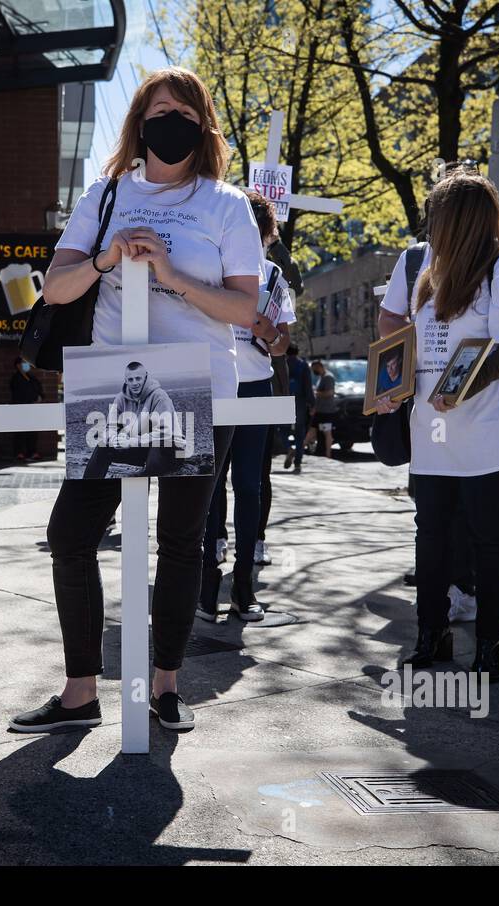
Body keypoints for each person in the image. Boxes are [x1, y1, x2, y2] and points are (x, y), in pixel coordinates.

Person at [9, 66, 261, 734]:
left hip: (198, 382)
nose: (169, 120)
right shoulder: (107, 192)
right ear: (139, 124)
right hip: (115, 380)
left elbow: (245, 306)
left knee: (180, 541)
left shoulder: (226, 204)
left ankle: (165, 686)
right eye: (158, 109)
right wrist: (103, 260)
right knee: (70, 534)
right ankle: (80, 691)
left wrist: (173, 276)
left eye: (183, 110)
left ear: (201, 123)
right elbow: (56, 290)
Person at [374, 171, 499, 682]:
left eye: (437, 214)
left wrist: (461, 386)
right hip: (431, 432)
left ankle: (489, 644)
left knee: (490, 539)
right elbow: (395, 332)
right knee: (432, 538)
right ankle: (431, 635)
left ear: (459, 219)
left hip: (485, 432)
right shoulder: (422, 266)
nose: (430, 223)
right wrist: (390, 384)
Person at [198, 189, 293, 620]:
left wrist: (268, 332)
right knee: (209, 486)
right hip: (216, 385)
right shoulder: (212, 269)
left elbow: (282, 347)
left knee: (250, 486)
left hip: (256, 387)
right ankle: (205, 586)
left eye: (260, 234)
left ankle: (243, 586)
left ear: (270, 237)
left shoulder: (274, 277)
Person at [82, 360, 187, 478]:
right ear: (126, 380)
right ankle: (88, 486)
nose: (134, 383)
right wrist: (115, 440)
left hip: (172, 450)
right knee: (103, 446)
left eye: (138, 378)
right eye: (130, 379)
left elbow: (165, 433)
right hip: (142, 448)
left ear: (146, 377)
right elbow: (110, 428)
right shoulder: (120, 398)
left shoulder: (159, 396)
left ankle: (145, 476)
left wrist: (130, 442)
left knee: (158, 443)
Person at [282, 343, 313, 473]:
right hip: (299, 401)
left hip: (284, 401)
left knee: (282, 429)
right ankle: (298, 463)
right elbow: (308, 385)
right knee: (300, 433)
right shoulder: (303, 365)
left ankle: (288, 448)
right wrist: (312, 403)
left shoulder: (282, 364)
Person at [9, 357, 44, 461]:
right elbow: (18, 394)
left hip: (32, 409)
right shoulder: (15, 379)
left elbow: (39, 390)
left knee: (32, 432)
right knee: (20, 432)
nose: (26, 365)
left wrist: (40, 397)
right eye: (24, 363)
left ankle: (32, 452)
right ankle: (19, 452)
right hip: (20, 409)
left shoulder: (32, 378)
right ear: (18, 365)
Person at [310, 358, 336, 457]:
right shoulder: (322, 377)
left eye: (314, 369)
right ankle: (299, 451)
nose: (314, 371)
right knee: (312, 430)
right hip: (320, 411)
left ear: (319, 367)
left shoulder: (328, 377)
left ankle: (328, 454)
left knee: (327, 432)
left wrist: (316, 392)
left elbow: (329, 393)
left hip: (326, 411)